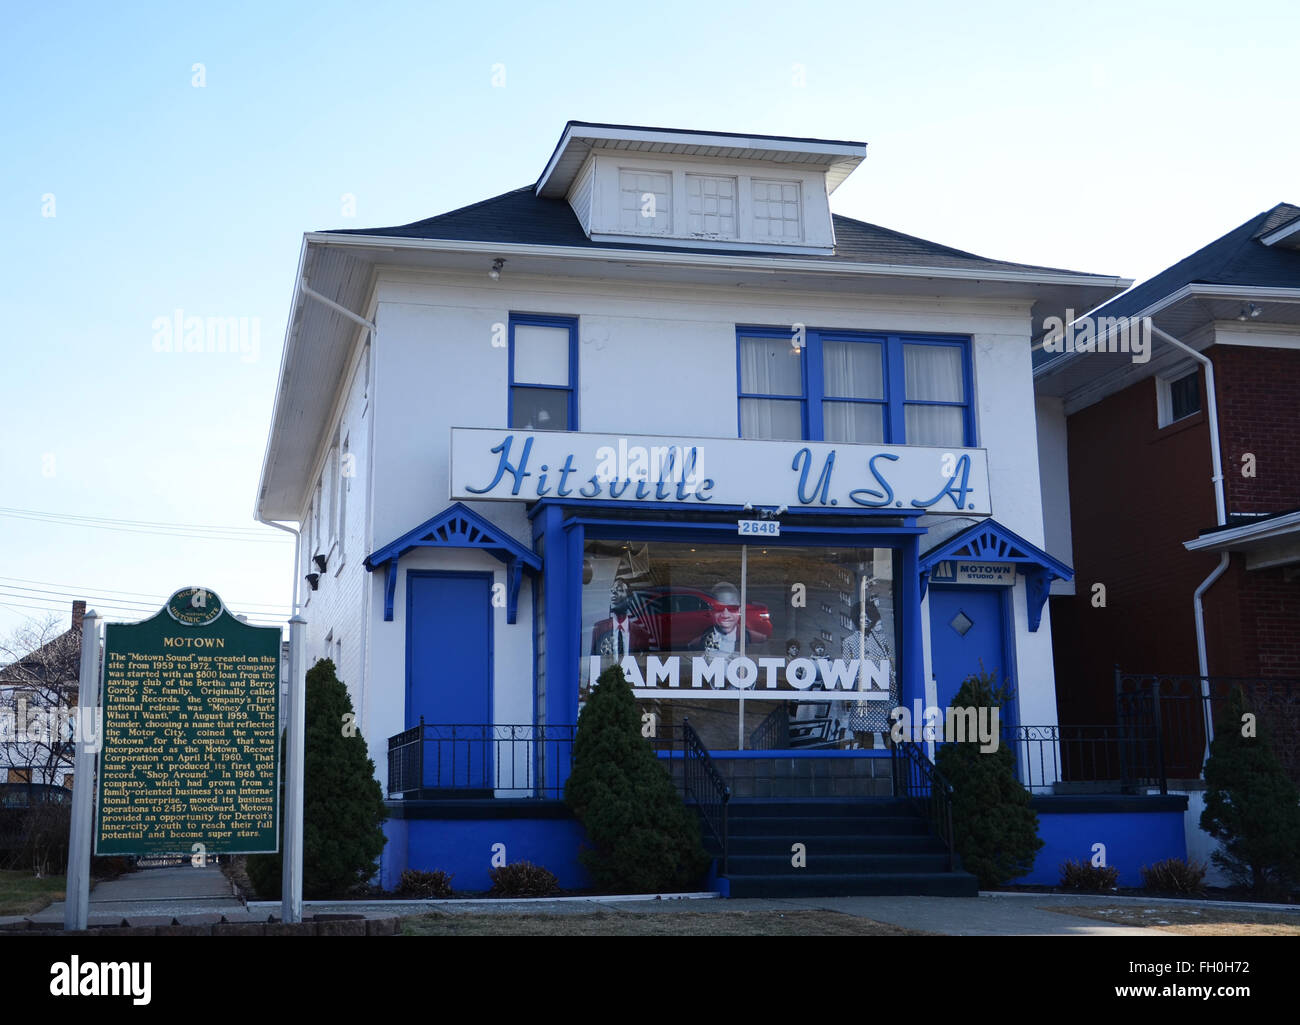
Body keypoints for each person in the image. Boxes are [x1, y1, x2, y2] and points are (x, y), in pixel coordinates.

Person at [842, 597, 896, 749]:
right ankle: (865, 769)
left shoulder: (881, 640)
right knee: (865, 740)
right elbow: (846, 670)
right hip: (863, 697)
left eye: (868, 616)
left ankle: (893, 769)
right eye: (861, 617)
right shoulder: (849, 642)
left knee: (890, 737)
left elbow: (889, 667)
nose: (865, 620)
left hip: (884, 696)